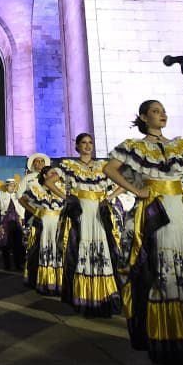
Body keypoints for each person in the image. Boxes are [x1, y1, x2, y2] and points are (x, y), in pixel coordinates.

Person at [104, 99, 183, 365]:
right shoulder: (135, 147)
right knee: (161, 268)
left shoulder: (181, 146)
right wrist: (137, 191)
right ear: (144, 117)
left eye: (163, 111)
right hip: (156, 212)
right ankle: (170, 339)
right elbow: (109, 169)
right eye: (156, 111)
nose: (162, 115)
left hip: (179, 210)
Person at [53, 133, 122, 316]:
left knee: (103, 251)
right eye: (83, 143)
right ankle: (84, 297)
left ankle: (104, 297)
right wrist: (68, 198)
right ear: (77, 146)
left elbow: (123, 183)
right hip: (81, 213)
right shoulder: (69, 165)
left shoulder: (103, 166)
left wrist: (110, 197)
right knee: (81, 250)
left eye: (90, 142)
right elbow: (49, 182)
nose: (87, 146)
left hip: (99, 213)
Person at [23, 164, 65, 296]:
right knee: (46, 249)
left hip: (59, 222)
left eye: (55, 173)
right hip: (45, 222)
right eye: (52, 173)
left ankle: (59, 282)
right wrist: (35, 212)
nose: (55, 175)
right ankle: (46, 282)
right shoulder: (37, 188)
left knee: (59, 250)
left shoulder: (62, 188)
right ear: (45, 175)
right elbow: (22, 200)